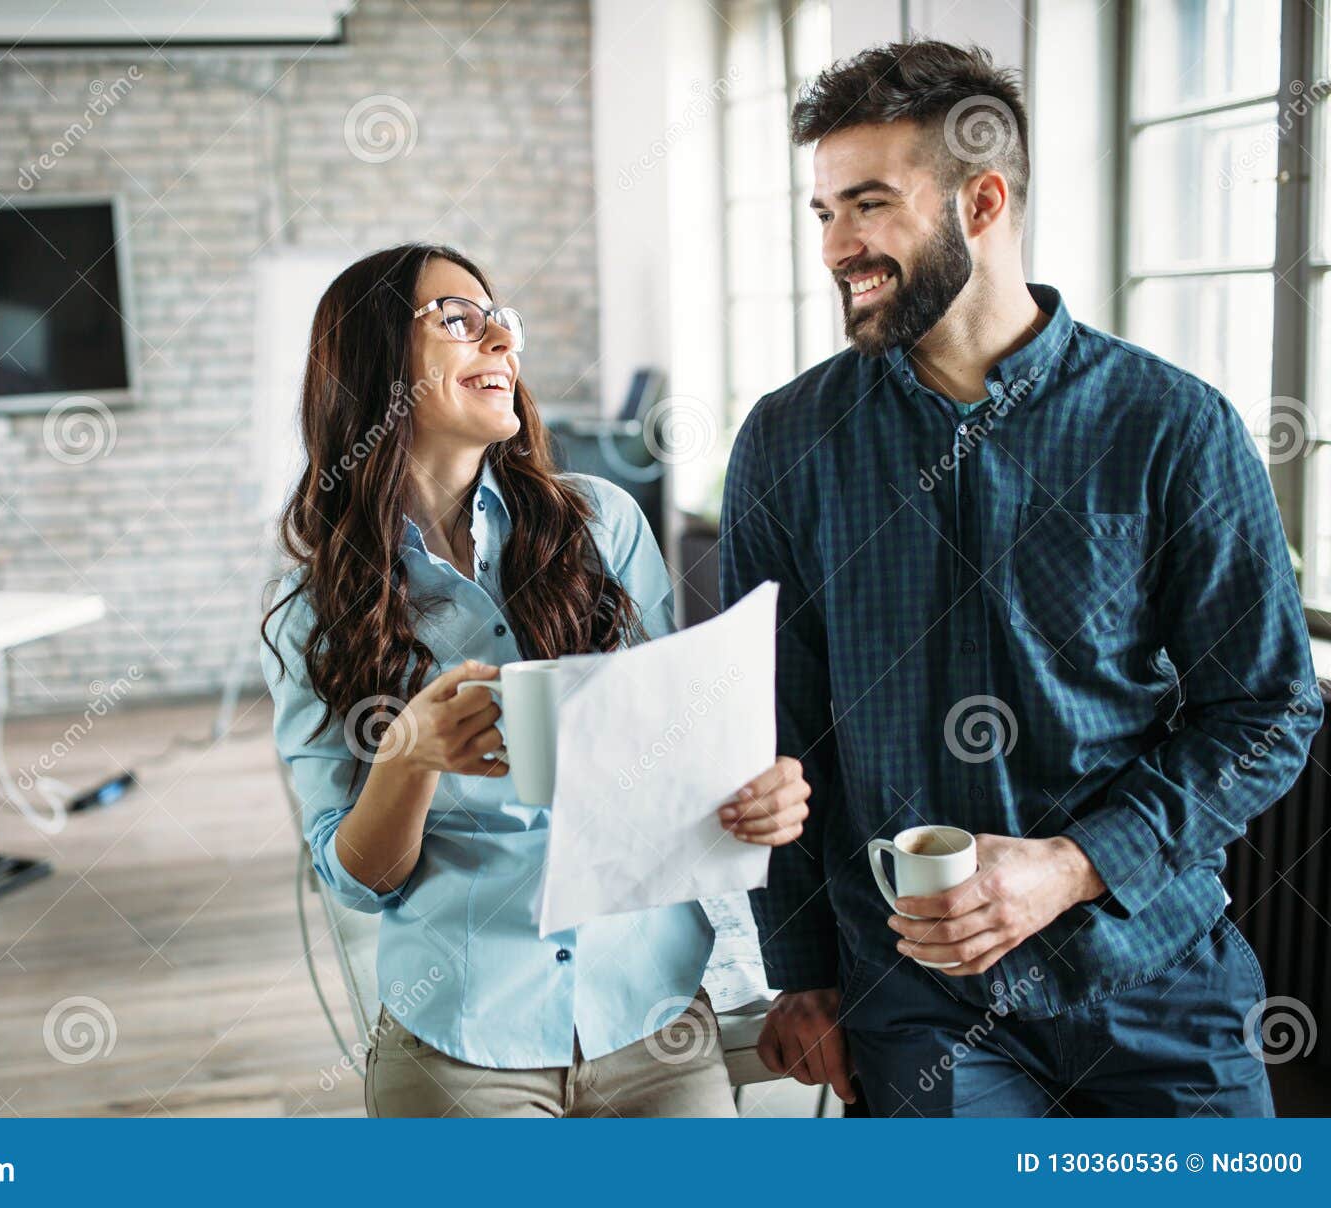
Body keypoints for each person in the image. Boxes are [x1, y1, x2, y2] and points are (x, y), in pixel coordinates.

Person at [721, 40, 1320, 1117]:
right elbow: (774, 723)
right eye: (822, 214)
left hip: (1155, 977)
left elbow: (1269, 708)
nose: (837, 247)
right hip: (919, 1001)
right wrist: (801, 966)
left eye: (868, 206)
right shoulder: (787, 441)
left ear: (982, 200)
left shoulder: (1171, 427)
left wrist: (1071, 863)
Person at [262, 242, 811, 1117]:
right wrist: (409, 759)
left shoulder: (602, 525)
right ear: (372, 363)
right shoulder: (311, 606)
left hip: (655, 1014)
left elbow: (679, 755)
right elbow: (359, 878)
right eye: (459, 321)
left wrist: (757, 796)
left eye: (502, 322)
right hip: (465, 1035)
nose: (501, 343)